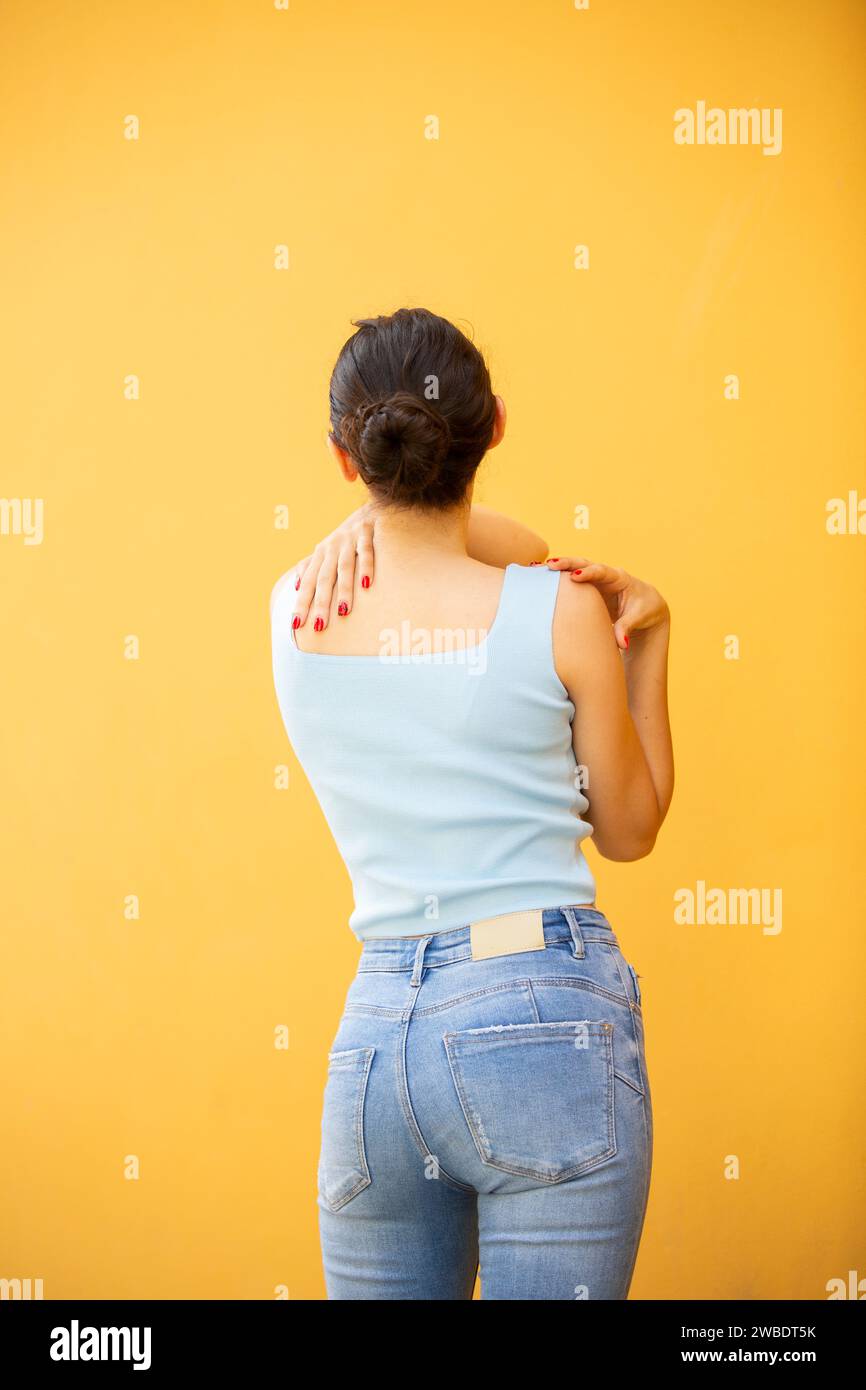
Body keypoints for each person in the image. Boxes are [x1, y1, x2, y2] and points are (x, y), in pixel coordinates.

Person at [270, 307, 673, 1300]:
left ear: (343, 454)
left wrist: (364, 515)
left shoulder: (293, 612)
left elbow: (487, 539)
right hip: (535, 1003)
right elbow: (629, 830)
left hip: (374, 1038)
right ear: (494, 426)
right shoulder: (562, 612)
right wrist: (650, 644)